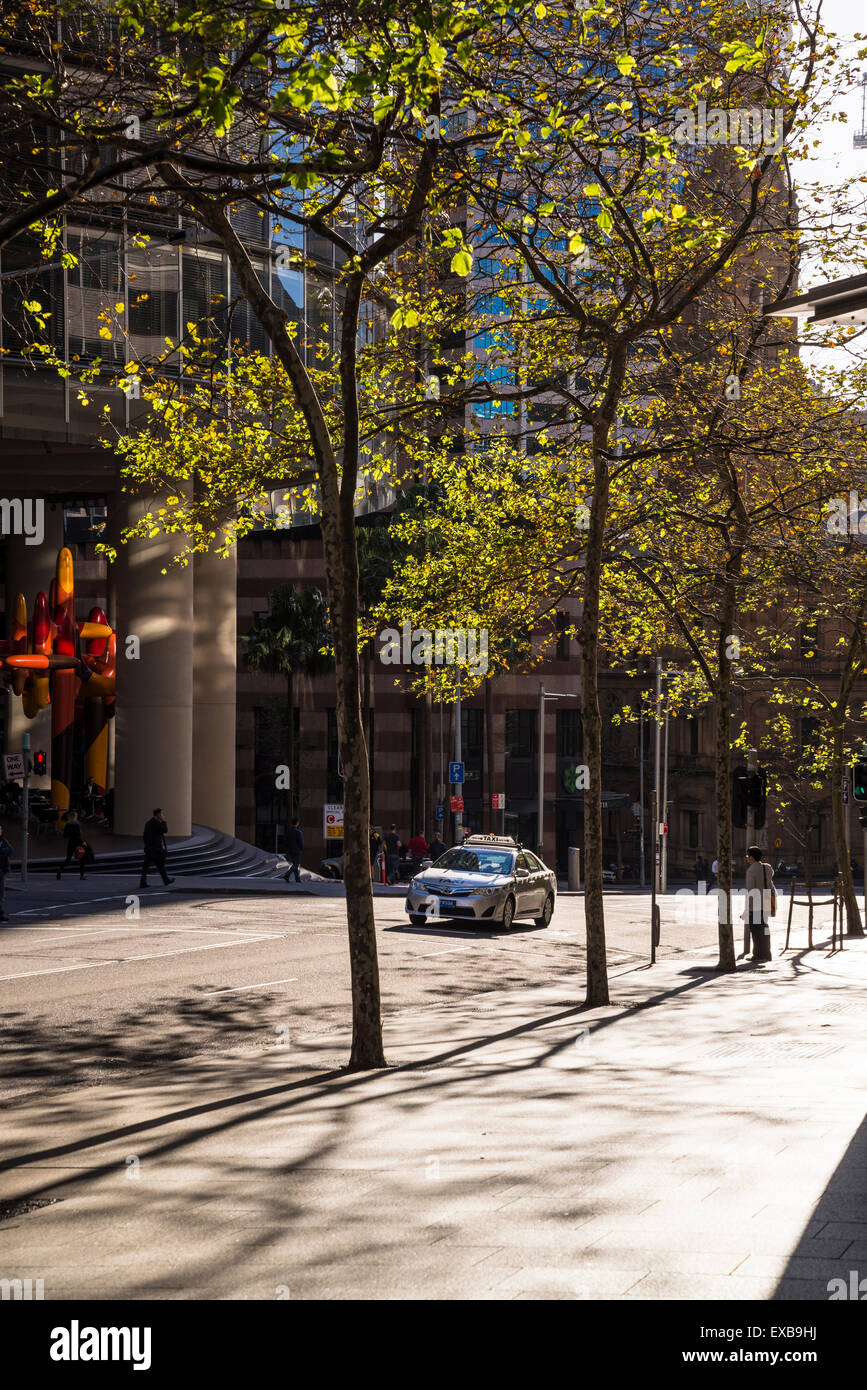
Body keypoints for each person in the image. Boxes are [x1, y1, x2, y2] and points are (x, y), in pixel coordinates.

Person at [743, 845, 774, 962]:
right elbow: (771, 878)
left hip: (756, 904)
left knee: (756, 931)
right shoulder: (767, 867)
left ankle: (758, 955)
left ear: (751, 857)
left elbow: (751, 891)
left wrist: (748, 908)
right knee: (765, 928)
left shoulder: (751, 871)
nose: (747, 858)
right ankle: (767, 953)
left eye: (748, 856)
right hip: (766, 901)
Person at [140, 808, 175, 888]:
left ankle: (143, 883)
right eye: (162, 814)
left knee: (149, 866)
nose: (163, 816)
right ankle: (166, 880)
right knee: (159, 865)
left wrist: (147, 845)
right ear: (158, 814)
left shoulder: (148, 823)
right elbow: (165, 830)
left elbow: (144, 836)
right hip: (156, 849)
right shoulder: (157, 823)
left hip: (149, 849)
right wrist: (163, 821)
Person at [57, 811, 94, 880]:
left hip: (71, 843)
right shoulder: (76, 825)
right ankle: (81, 875)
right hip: (78, 843)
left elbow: (65, 836)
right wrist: (83, 842)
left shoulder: (67, 825)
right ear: (75, 817)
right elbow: (78, 836)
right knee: (82, 859)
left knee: (68, 859)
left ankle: (60, 869)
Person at [283, 817, 303, 883]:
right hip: (297, 850)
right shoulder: (298, 832)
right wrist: (301, 848)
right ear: (297, 823)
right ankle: (287, 875)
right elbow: (300, 842)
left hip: (290, 850)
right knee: (296, 865)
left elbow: (286, 841)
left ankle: (297, 879)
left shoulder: (288, 831)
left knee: (295, 864)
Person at [0, 823, 12, 921]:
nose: (0, 831)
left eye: (0, 829)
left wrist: (1, 851)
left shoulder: (3, 841)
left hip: (2, 869)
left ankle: (0, 912)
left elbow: (10, 850)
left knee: (1, 893)